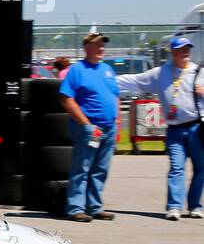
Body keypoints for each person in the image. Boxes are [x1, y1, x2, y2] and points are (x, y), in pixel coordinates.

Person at [116, 36, 204, 220]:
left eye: (188, 48)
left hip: (196, 128)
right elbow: (135, 81)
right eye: (181, 49)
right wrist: (107, 80)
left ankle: (195, 205)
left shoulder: (199, 72)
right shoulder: (161, 73)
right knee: (176, 168)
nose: (185, 51)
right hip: (174, 130)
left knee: (201, 168)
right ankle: (174, 207)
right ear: (173, 52)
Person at [58, 32, 119, 222]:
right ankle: (75, 208)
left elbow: (115, 95)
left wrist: (116, 120)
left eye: (103, 44)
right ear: (87, 47)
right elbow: (66, 98)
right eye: (97, 44)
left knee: (101, 169)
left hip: (108, 128)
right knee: (82, 168)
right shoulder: (77, 70)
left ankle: (95, 206)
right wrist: (86, 124)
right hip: (90, 128)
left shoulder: (108, 70)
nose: (101, 48)